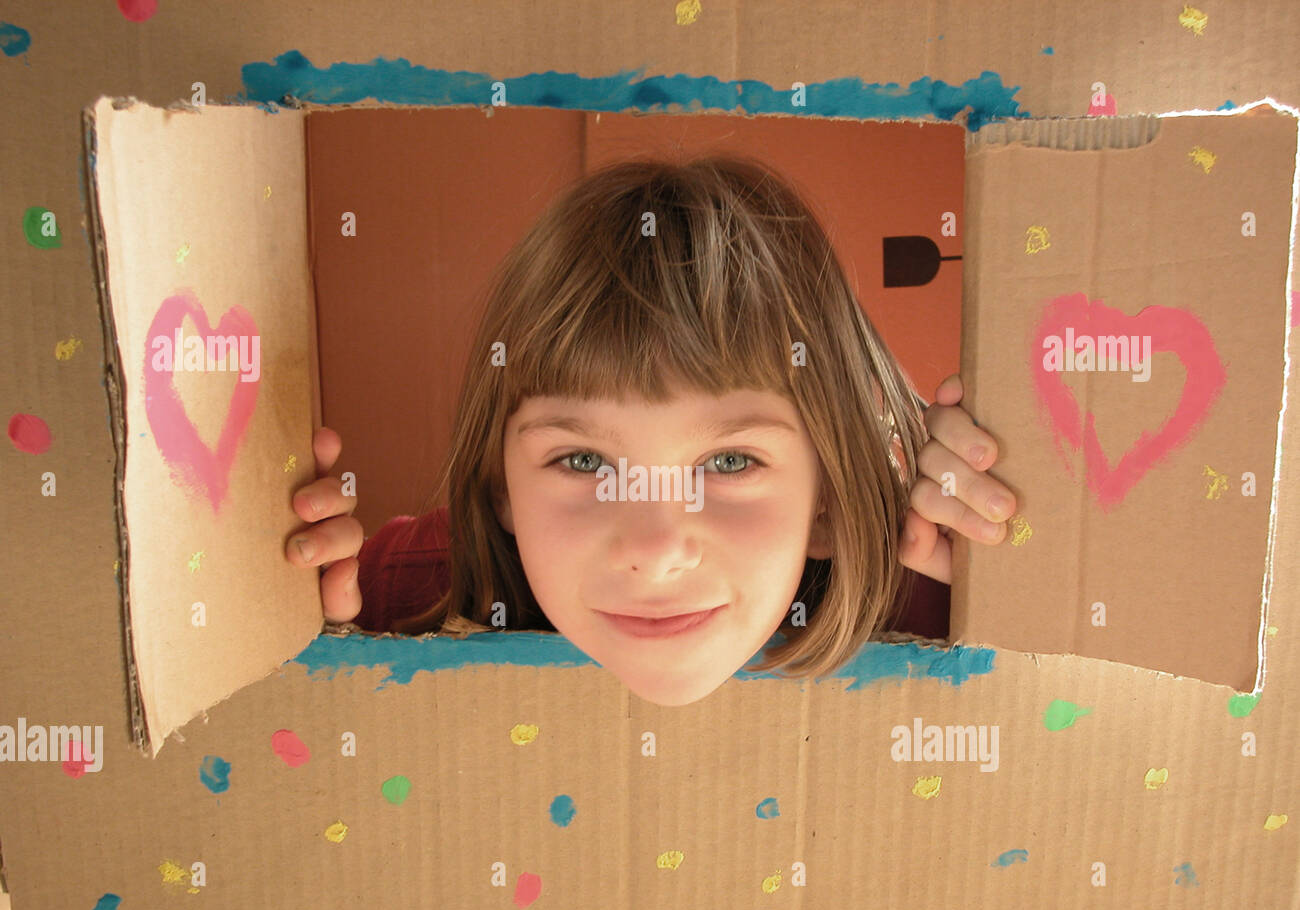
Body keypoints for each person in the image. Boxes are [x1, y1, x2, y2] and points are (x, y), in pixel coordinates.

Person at [284, 156, 1016, 707]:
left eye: (730, 460)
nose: (656, 551)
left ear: (826, 500)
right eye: (583, 460)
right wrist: (290, 606)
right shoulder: (402, 591)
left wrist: (1005, 546)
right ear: (499, 487)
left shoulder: (933, 606)